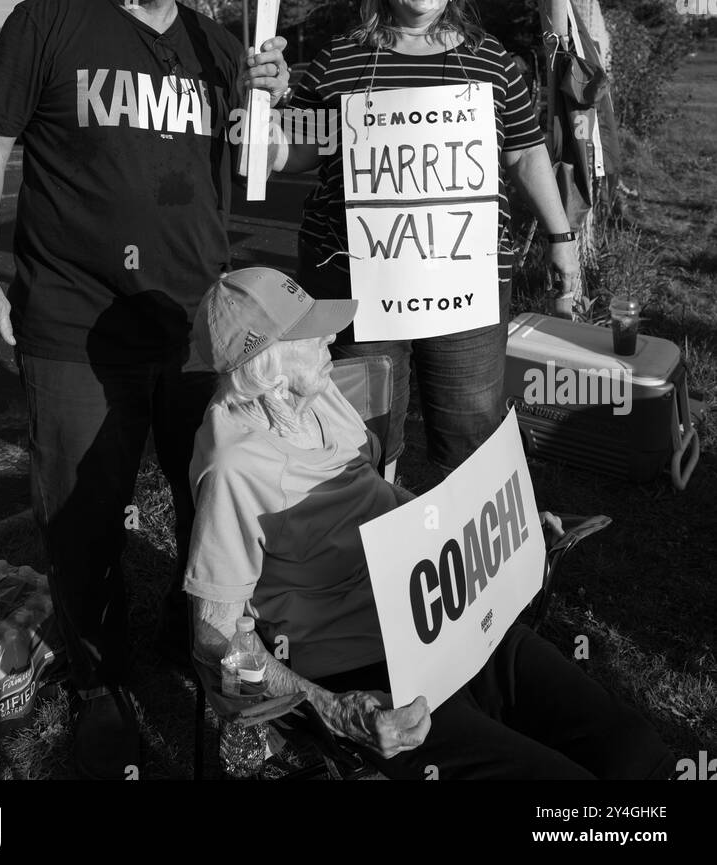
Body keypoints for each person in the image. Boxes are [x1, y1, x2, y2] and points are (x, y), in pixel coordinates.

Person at [0, 0, 289, 779]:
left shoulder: (222, 46)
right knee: (82, 515)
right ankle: (97, 676)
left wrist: (272, 95)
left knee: (208, 505)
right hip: (71, 323)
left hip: (193, 330)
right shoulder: (49, 20)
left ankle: (202, 643)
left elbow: (271, 157)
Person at [185, 267, 674, 780]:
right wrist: (331, 707)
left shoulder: (315, 391)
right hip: (363, 669)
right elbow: (213, 637)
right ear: (270, 367)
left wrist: (499, 529)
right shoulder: (234, 467)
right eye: (312, 330)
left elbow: (378, 498)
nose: (332, 335)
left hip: (440, 610)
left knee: (634, 750)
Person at [281, 0, 579, 483]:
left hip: (465, 285)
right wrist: (264, 105)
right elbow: (293, 153)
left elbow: (525, 153)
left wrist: (561, 239)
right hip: (355, 286)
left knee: (469, 433)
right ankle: (367, 551)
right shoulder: (339, 60)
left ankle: (460, 561)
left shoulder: (493, 62)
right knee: (359, 435)